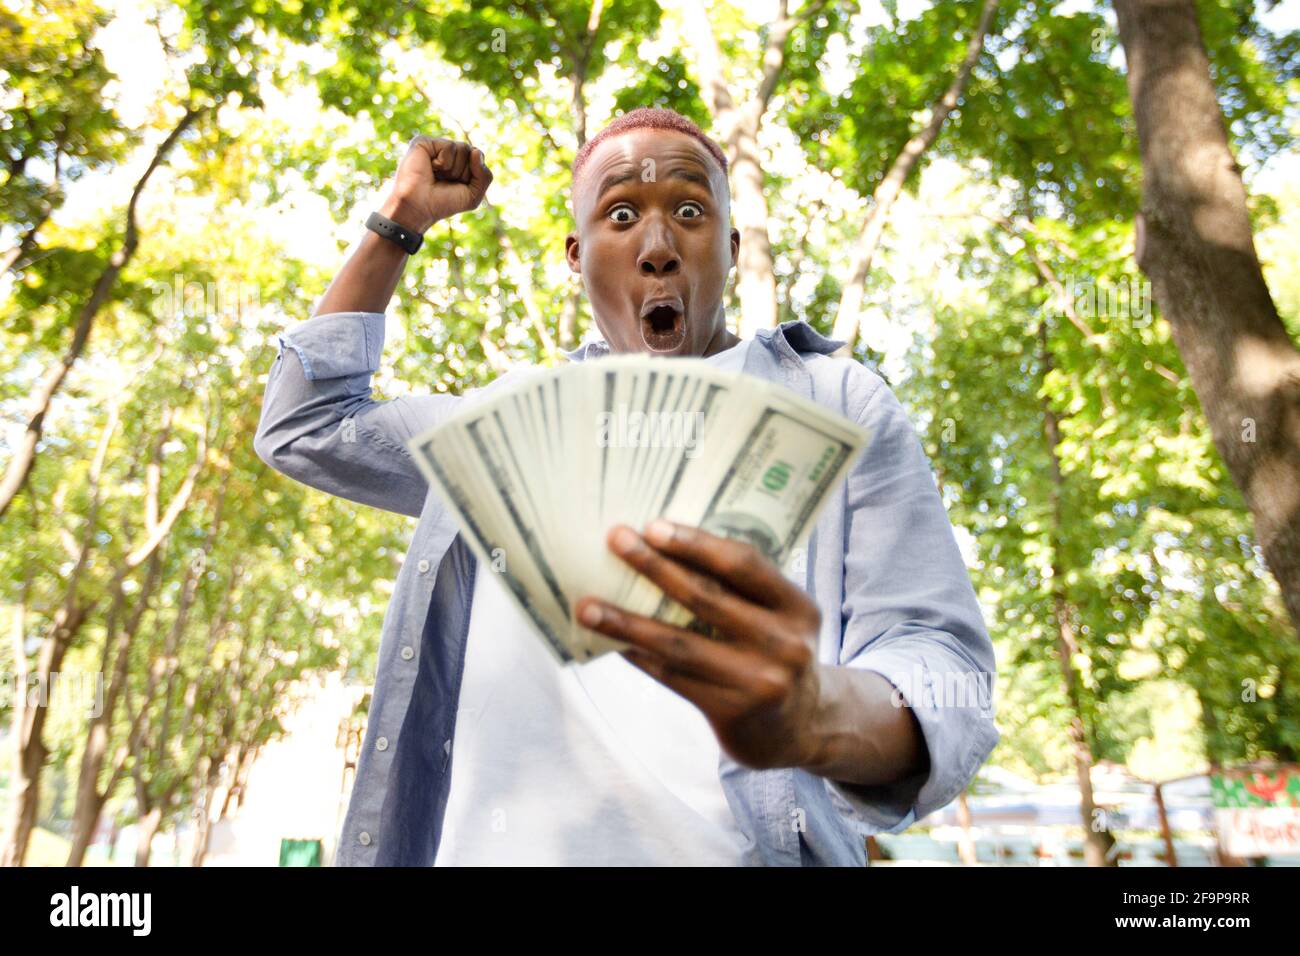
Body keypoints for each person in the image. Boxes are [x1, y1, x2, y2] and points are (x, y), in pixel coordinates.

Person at [254, 106, 998, 866]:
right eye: (620, 214)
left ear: (732, 249)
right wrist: (400, 219)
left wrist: (814, 714)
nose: (657, 246)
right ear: (575, 256)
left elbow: (939, 665)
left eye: (689, 210)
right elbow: (305, 425)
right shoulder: (506, 427)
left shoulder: (836, 404)